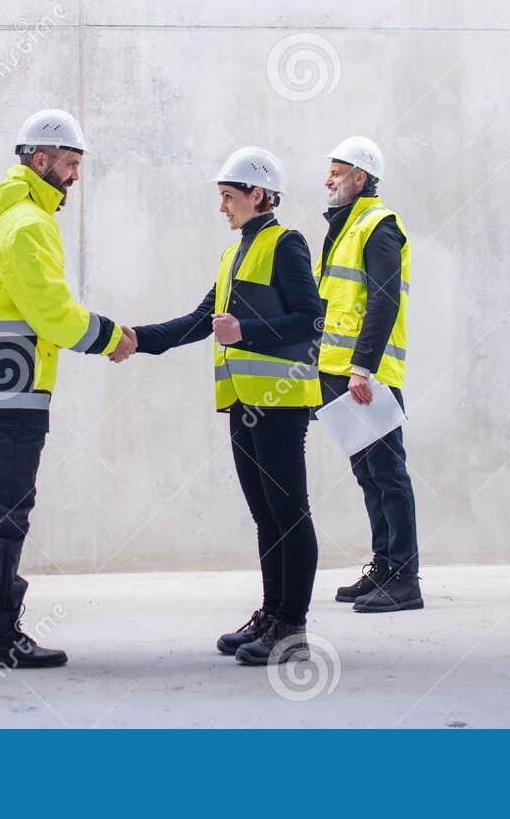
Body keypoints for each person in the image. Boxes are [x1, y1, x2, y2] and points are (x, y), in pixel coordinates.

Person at [0, 108, 136, 669]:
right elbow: (51, 313)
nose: (75, 175)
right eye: (70, 163)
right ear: (40, 160)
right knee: (6, 511)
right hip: (12, 386)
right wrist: (109, 337)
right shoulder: (25, 222)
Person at [132, 147, 323, 665]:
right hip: (242, 401)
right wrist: (133, 338)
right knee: (265, 514)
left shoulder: (287, 244)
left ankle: (292, 628)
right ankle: (271, 612)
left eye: (228, 197)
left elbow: (311, 318)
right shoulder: (235, 254)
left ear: (257, 195)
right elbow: (200, 320)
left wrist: (248, 332)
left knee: (288, 511)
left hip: (280, 402)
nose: (223, 207)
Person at [318, 136, 423, 613]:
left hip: (367, 376)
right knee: (368, 474)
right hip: (341, 373)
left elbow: (383, 299)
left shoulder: (378, 224)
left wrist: (363, 367)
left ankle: (404, 580)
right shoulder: (345, 227)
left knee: (388, 472)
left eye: (337, 172)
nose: (328, 180)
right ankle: (384, 568)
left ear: (361, 178)